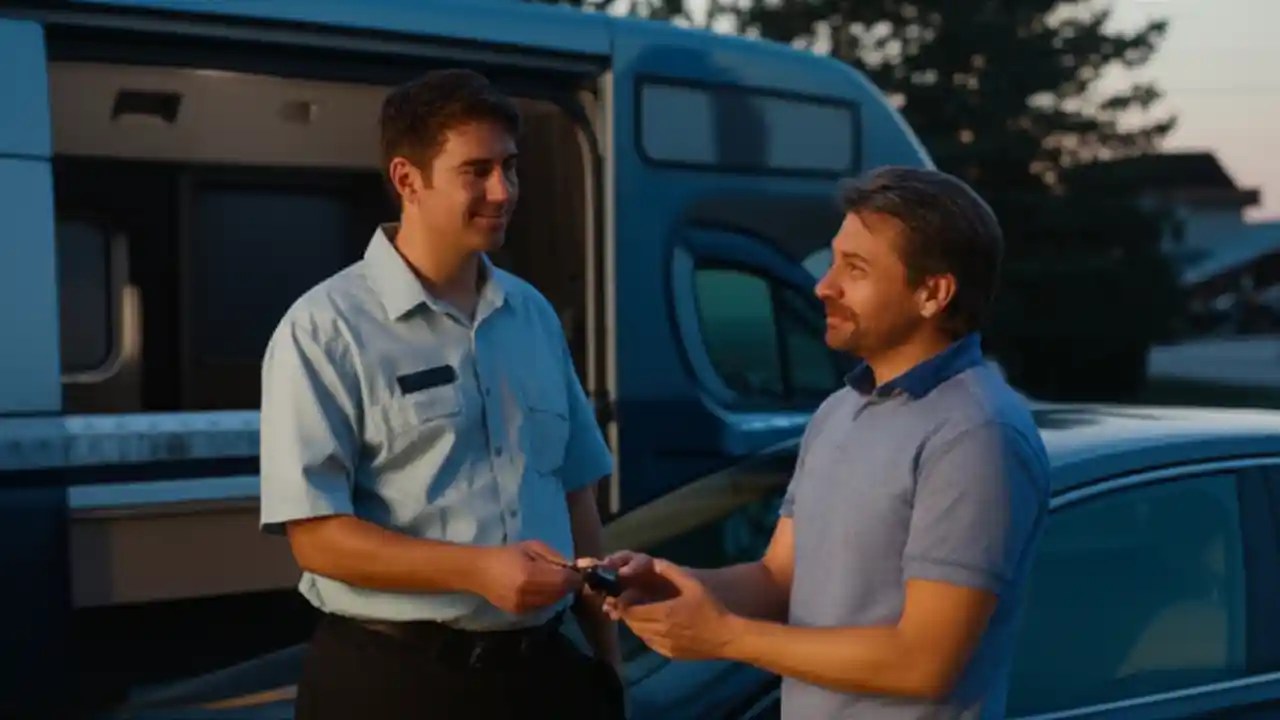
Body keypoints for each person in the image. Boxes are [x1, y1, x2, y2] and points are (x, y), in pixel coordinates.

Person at [600, 166, 1051, 719]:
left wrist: (724, 638)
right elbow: (779, 580)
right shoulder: (841, 410)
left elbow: (924, 662)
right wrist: (671, 584)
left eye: (854, 268)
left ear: (933, 293)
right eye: (834, 259)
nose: (823, 284)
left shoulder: (977, 434)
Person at [258, 68, 623, 719]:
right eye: (476, 170)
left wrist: (608, 669)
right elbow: (317, 538)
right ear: (407, 180)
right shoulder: (324, 329)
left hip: (546, 678)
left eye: (510, 167)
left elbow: (577, 498)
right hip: (392, 685)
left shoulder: (532, 315)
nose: (503, 190)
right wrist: (477, 569)